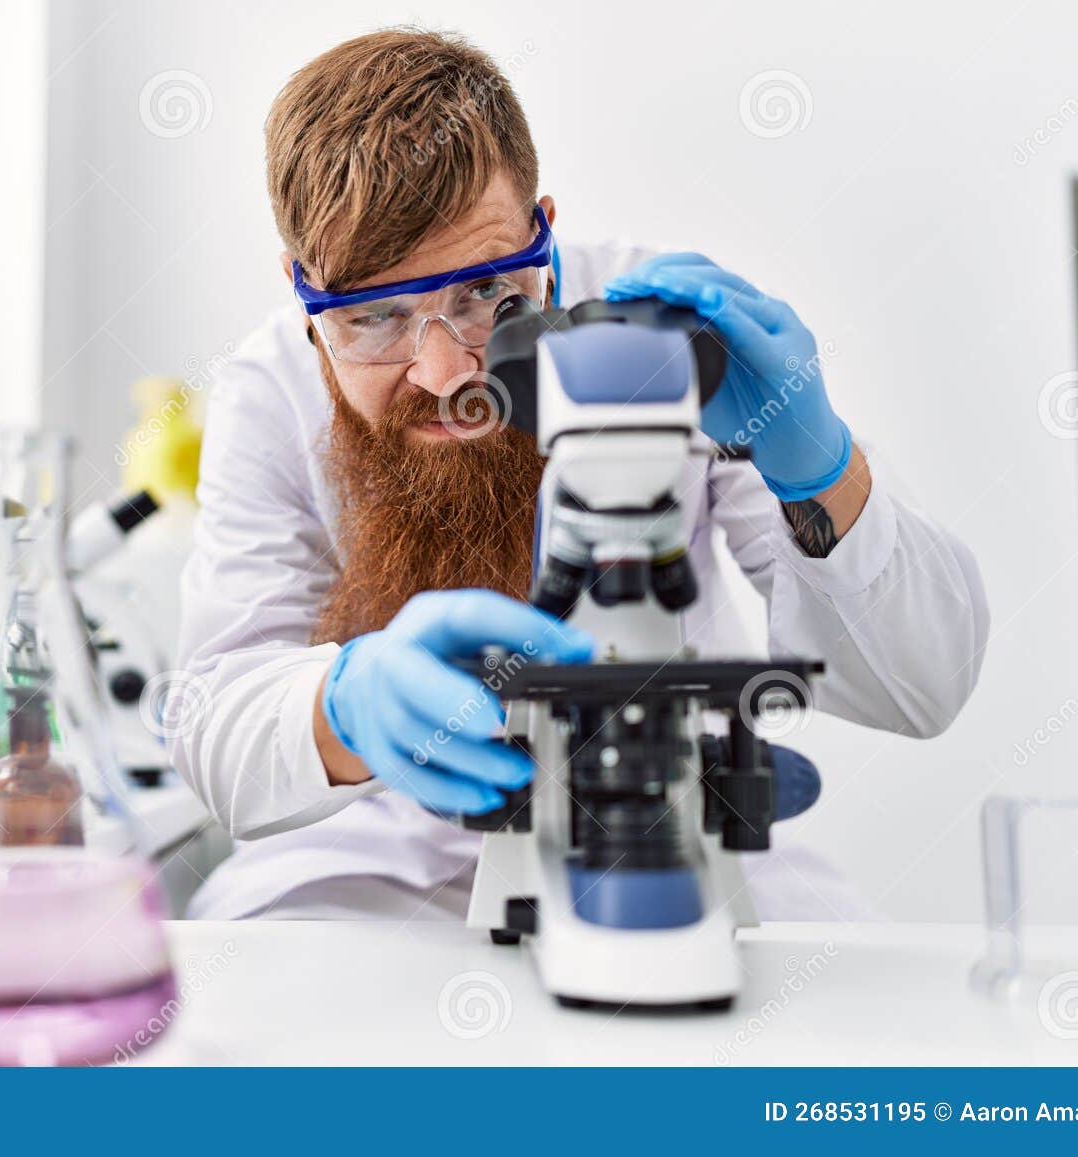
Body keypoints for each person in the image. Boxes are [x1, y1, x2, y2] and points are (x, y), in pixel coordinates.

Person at [170, 28, 989, 922]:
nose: (446, 373)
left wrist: (817, 467)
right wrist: (342, 705)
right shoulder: (271, 391)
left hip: (668, 807)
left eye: (486, 292)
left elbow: (924, 686)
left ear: (542, 231)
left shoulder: (657, 335)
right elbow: (216, 723)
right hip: (376, 848)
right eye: (373, 317)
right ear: (304, 291)